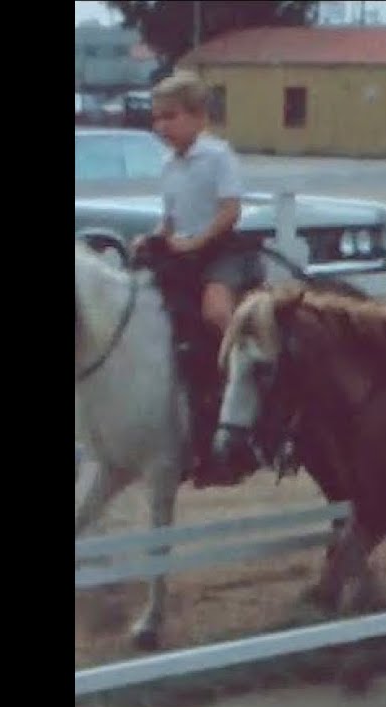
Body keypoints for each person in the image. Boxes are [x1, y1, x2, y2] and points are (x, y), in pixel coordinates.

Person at [132, 70, 265, 483]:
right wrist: (155, 238)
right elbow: (171, 219)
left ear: (198, 116)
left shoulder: (218, 156)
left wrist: (198, 241)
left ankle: (251, 368)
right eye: (156, 118)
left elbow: (230, 211)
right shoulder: (168, 165)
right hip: (185, 251)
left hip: (223, 248)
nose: (161, 127)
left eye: (170, 117)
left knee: (215, 309)